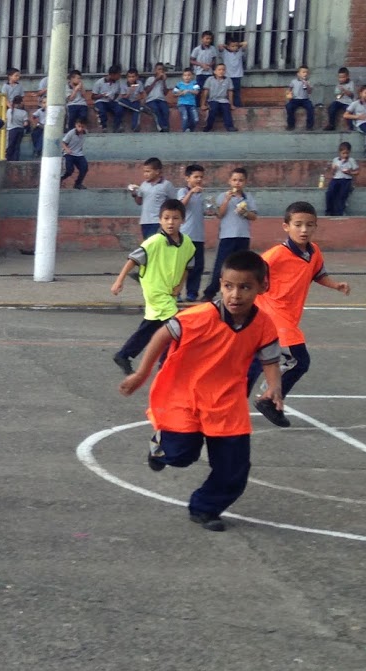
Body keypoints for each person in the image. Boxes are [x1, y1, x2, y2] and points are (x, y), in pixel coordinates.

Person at [117, 250, 282, 533]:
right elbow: (163, 333)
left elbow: (270, 359)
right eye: (229, 286)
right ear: (220, 284)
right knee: (182, 455)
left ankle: (205, 508)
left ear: (262, 287)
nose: (235, 295)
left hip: (227, 402)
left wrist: (275, 386)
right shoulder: (200, 317)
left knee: (234, 469)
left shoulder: (263, 324)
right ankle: (160, 447)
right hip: (186, 396)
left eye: (245, 287)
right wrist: (142, 373)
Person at [247, 201, 352, 427]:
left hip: (288, 316)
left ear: (315, 227)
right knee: (299, 361)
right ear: (286, 227)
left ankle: (234, 401)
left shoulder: (313, 252)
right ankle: (269, 398)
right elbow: (249, 274)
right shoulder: (275, 255)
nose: (303, 230)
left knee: (255, 363)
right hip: (273, 315)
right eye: (298, 225)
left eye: (309, 225)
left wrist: (335, 285)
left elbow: (317, 274)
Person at [111, 198, 194, 375]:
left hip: (168, 292)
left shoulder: (187, 243)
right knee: (176, 326)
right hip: (155, 291)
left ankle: (124, 354)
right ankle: (165, 364)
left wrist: (180, 285)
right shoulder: (154, 242)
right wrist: (119, 280)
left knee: (149, 327)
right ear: (160, 220)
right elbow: (132, 259)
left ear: (183, 220)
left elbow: (188, 265)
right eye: (166, 218)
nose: (170, 222)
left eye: (175, 218)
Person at [202, 167, 257, 300]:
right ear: (229, 181)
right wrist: (227, 200)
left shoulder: (248, 198)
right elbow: (220, 214)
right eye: (234, 180)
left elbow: (253, 216)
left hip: (243, 236)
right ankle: (210, 292)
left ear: (245, 182)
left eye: (240, 180)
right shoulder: (223, 196)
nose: (237, 183)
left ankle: (239, 291)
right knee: (221, 265)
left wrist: (244, 212)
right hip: (227, 236)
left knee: (241, 266)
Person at [176, 164, 210, 302]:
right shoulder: (182, 191)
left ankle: (192, 292)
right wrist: (191, 193)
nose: (199, 179)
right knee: (181, 266)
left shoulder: (202, 195)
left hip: (198, 235)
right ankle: (176, 292)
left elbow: (204, 211)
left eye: (201, 177)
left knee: (197, 266)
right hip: (185, 235)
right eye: (196, 177)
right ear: (187, 178)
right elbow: (180, 206)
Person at [130, 157, 175, 239]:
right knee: (148, 245)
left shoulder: (166, 185)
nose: (145, 174)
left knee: (157, 244)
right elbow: (139, 202)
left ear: (157, 171)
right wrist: (134, 194)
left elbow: (174, 202)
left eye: (148, 171)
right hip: (145, 221)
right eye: (144, 172)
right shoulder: (144, 185)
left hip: (159, 221)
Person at [325, 141, 358, 216]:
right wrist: (333, 168)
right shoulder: (335, 160)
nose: (345, 155)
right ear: (340, 153)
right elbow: (332, 173)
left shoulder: (351, 160)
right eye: (343, 153)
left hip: (346, 179)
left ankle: (340, 211)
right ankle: (329, 211)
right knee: (329, 192)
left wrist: (350, 172)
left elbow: (357, 172)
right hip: (336, 179)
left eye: (347, 153)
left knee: (342, 194)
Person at [202, 63, 235, 132]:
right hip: (212, 99)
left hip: (224, 100)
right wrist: (203, 104)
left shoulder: (228, 80)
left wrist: (231, 104)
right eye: (219, 69)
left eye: (223, 70)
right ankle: (208, 126)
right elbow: (205, 92)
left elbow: (230, 92)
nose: (221, 71)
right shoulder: (210, 79)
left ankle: (230, 127)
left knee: (226, 109)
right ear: (215, 71)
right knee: (213, 109)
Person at [59, 118, 89, 190]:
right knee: (69, 170)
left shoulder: (85, 132)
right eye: (79, 126)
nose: (80, 129)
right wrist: (67, 149)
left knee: (84, 168)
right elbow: (63, 142)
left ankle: (78, 184)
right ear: (76, 125)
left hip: (79, 154)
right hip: (69, 154)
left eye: (82, 127)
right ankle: (61, 179)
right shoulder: (71, 133)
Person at [286, 66, 315, 131]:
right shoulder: (293, 81)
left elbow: (310, 92)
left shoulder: (308, 82)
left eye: (307, 72)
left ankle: (309, 126)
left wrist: (307, 85)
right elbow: (289, 89)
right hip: (295, 99)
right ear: (298, 74)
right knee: (289, 107)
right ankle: (290, 125)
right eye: (303, 72)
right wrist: (289, 94)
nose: (305, 74)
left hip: (305, 99)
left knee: (310, 108)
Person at [221, 38, 248, 107]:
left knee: (236, 91)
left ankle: (237, 104)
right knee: (227, 91)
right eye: (232, 46)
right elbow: (220, 46)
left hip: (237, 75)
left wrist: (237, 45)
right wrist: (227, 47)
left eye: (236, 46)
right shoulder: (225, 52)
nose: (234, 47)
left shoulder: (240, 52)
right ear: (228, 46)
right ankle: (227, 104)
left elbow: (245, 43)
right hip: (227, 75)